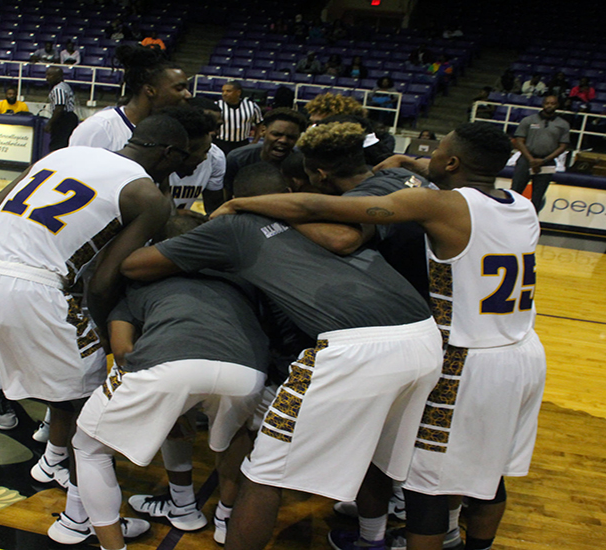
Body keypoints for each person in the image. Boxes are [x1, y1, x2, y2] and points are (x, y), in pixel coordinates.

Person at [209, 122, 545, 550]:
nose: (431, 158)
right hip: (522, 350)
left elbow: (322, 209)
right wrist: (406, 161)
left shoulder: (442, 205)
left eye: (438, 149)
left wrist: (241, 202)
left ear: (453, 162)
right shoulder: (520, 204)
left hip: (467, 357)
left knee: (427, 483)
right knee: (487, 468)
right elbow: (432, 167)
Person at [121, 164, 443, 550]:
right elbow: (343, 240)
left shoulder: (231, 227)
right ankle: (372, 540)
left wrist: (200, 251)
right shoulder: (324, 216)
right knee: (375, 452)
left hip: (356, 346)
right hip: (424, 335)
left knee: (264, 475)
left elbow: (134, 266)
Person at [0, 115, 188, 535]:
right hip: (38, 286)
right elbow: (102, 283)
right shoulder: (148, 196)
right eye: (184, 161)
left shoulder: (64, 154)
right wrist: (102, 335)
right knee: (85, 401)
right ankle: (80, 517)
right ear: (169, 153)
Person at [70, 213, 269, 550]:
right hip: (247, 371)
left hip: (171, 363)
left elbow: (123, 350)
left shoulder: (140, 280)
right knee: (233, 436)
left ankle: (111, 547)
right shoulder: (242, 279)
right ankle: (214, 516)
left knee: (88, 447)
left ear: (156, 247)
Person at [70, 44, 191, 150]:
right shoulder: (99, 127)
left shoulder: (170, 132)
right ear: (150, 90)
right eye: (179, 88)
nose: (188, 95)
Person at [223, 108, 308, 196]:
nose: (283, 140)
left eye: (291, 137)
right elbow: (228, 195)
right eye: (276, 134)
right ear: (263, 131)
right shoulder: (238, 158)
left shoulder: (303, 162)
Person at [164, 100, 227, 213]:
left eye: (217, 126)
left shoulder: (216, 156)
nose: (212, 132)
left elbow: (213, 206)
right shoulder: (153, 158)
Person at [511, 95, 570, 212]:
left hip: (546, 162)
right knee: (515, 192)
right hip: (526, 160)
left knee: (538, 197)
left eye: (553, 103)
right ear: (543, 104)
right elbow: (519, 140)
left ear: (557, 105)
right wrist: (530, 159)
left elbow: (563, 146)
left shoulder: (563, 124)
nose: (549, 105)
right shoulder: (528, 120)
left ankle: (531, 222)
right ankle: (508, 218)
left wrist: (544, 160)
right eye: (547, 103)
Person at [215, 81, 263, 154]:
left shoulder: (252, 106)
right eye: (223, 91)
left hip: (242, 143)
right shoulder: (217, 105)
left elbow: (259, 124)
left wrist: (255, 141)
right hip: (221, 143)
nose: (224, 94)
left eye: (228, 91)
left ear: (238, 92)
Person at [45, 66, 78, 151]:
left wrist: (50, 123)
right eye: (47, 75)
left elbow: (59, 108)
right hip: (69, 117)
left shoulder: (58, 89)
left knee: (57, 145)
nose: (47, 78)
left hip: (63, 119)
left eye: (50, 75)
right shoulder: (65, 86)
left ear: (58, 76)